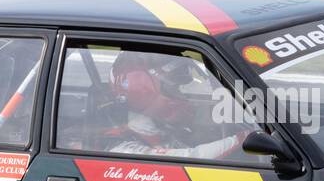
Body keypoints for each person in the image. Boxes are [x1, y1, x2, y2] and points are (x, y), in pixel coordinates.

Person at [106, 51, 250, 159]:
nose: (182, 95)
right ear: (143, 90)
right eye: (175, 89)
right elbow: (192, 157)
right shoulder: (124, 147)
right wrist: (243, 138)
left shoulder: (161, 125)